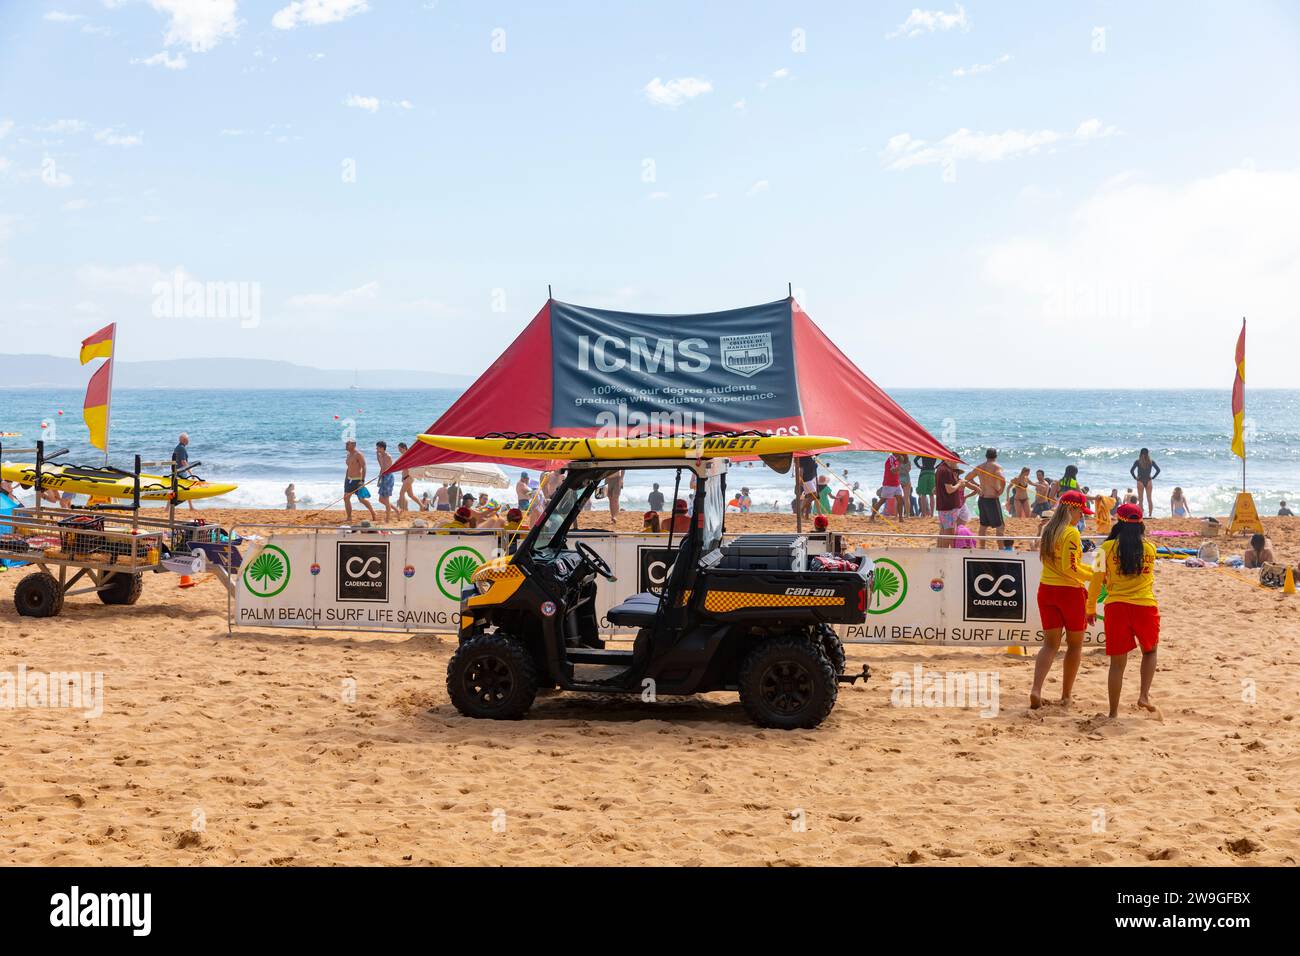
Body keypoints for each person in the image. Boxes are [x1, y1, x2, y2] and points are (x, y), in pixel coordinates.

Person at [1087, 502, 1159, 717]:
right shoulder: (1150, 548)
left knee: (1117, 664)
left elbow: (1096, 581)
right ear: (1141, 523)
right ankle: (1144, 695)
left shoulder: (1105, 550)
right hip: (1144, 605)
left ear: (1118, 521)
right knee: (1150, 651)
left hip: (1116, 607)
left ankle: (1113, 713)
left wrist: (1090, 608)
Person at [1029, 490, 1094, 710]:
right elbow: (1071, 568)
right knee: (1074, 646)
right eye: (1080, 512)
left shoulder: (1048, 529)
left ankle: (1036, 689)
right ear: (1071, 509)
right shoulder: (1071, 533)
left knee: (1049, 645)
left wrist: (1090, 572)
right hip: (1069, 593)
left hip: (1046, 590)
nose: (1081, 517)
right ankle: (1066, 695)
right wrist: (1095, 576)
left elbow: (1060, 565)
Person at [971, 449, 1006, 548]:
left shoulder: (980, 467)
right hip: (991, 499)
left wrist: (977, 486)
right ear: (996, 456)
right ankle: (1001, 550)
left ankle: (982, 548)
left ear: (986, 456)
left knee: (983, 526)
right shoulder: (997, 467)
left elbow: (968, 477)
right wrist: (1001, 491)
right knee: (1000, 527)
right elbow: (1003, 479)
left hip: (982, 499)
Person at [934, 459, 971, 548]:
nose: (957, 464)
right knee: (949, 533)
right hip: (948, 507)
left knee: (944, 530)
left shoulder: (940, 469)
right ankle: (945, 554)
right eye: (956, 462)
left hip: (945, 506)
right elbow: (949, 489)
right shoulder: (946, 470)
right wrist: (959, 483)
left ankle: (941, 552)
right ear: (951, 460)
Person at [341, 440, 377, 523]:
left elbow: (364, 467)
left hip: (357, 480)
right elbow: (349, 467)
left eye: (347, 444)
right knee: (346, 498)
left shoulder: (358, 455)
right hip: (349, 480)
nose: (346, 445)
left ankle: (373, 512)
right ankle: (349, 517)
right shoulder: (348, 455)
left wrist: (362, 480)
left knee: (361, 499)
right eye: (346, 444)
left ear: (353, 445)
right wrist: (346, 478)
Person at [1130, 448, 1161, 517]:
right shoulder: (1151, 461)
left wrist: (1135, 478)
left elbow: (1131, 471)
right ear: (1148, 453)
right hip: (1148, 481)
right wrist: (1153, 477)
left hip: (1140, 481)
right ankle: (1150, 515)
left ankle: (1141, 515)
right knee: (1149, 499)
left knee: (1140, 500)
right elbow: (1158, 470)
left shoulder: (1137, 461)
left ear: (1140, 453)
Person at [172, 432, 195, 511]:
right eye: (188, 439)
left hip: (177, 471)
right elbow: (183, 462)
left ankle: (191, 507)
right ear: (184, 440)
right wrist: (191, 473)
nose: (188, 440)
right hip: (181, 472)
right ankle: (191, 507)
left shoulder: (178, 447)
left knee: (174, 490)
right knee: (187, 489)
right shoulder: (182, 448)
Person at [374, 441, 396, 522]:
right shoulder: (381, 456)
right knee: (381, 500)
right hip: (383, 477)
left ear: (382, 448)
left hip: (388, 478)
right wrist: (379, 479)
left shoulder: (388, 456)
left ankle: (387, 519)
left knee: (386, 499)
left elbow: (386, 469)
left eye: (378, 447)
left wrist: (381, 477)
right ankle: (396, 510)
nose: (376, 449)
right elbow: (381, 466)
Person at [396, 443, 420, 512]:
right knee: (410, 495)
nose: (399, 450)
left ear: (404, 448)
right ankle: (422, 506)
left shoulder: (408, 456)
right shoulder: (403, 456)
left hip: (408, 477)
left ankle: (403, 509)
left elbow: (411, 465)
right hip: (406, 478)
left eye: (400, 449)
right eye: (398, 449)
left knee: (401, 493)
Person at [896, 453, 914, 517]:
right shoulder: (908, 462)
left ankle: (896, 514)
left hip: (899, 479)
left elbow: (896, 470)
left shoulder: (898, 461)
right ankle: (907, 514)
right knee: (907, 498)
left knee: (897, 498)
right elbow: (908, 470)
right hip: (906, 479)